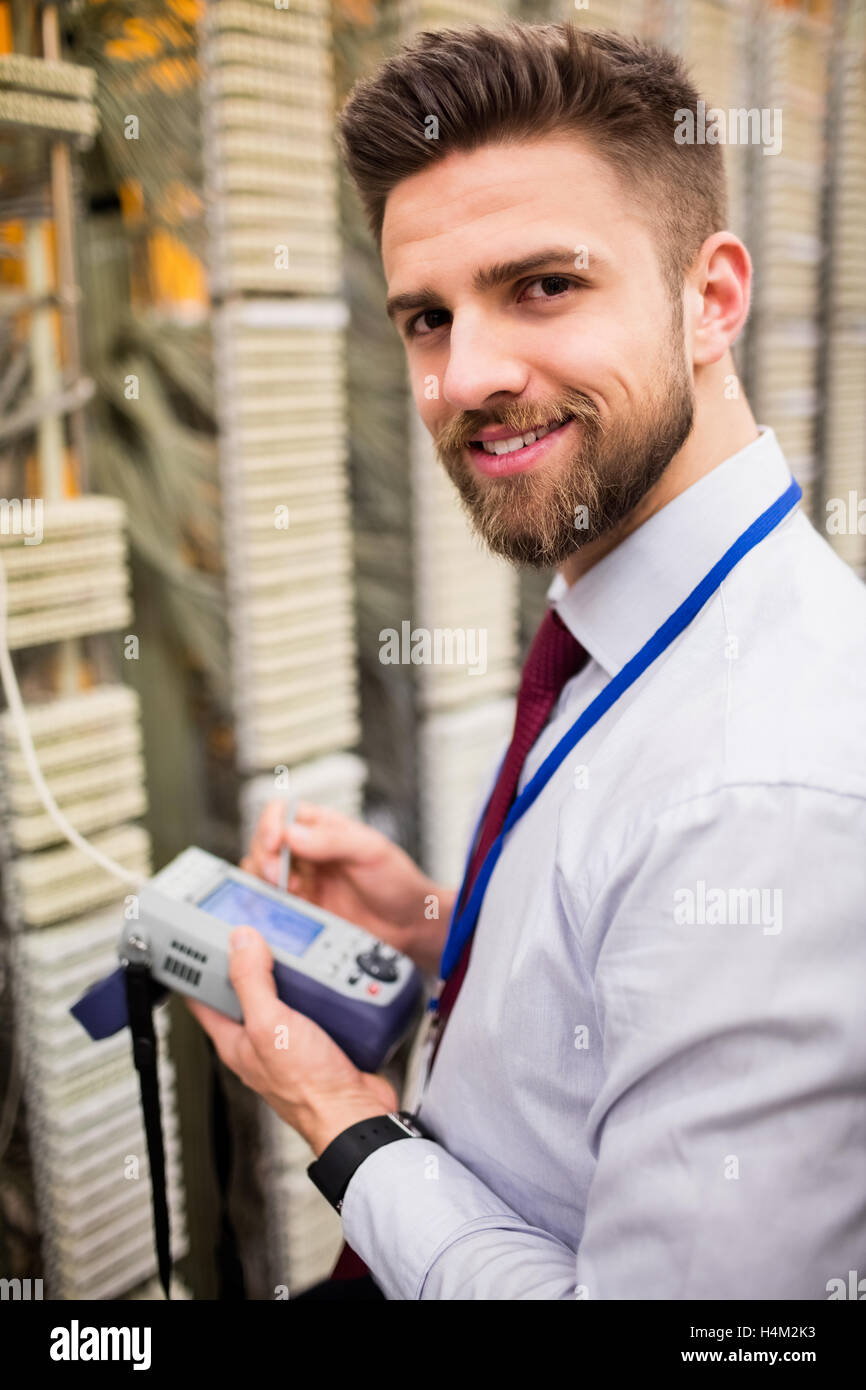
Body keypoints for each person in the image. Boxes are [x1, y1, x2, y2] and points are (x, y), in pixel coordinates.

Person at [186, 23, 866, 1299]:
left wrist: (344, 1124)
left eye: (542, 286)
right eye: (426, 318)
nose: (466, 377)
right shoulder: (628, 626)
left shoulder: (766, 793)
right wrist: (450, 931)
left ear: (710, 297)